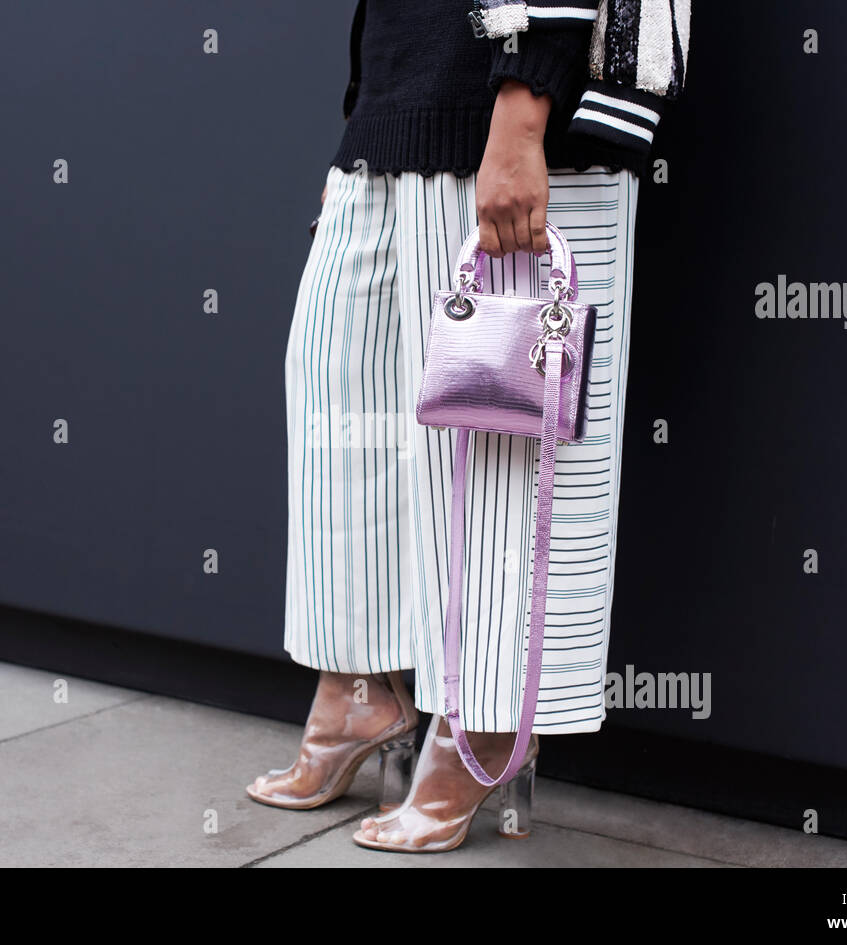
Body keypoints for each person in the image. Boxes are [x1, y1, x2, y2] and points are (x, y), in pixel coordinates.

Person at [247, 0, 691, 853]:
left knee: (497, 450)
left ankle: (484, 724)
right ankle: (358, 687)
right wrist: (365, 124)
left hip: (516, 108)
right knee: (346, 402)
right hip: (401, 102)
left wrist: (527, 114)